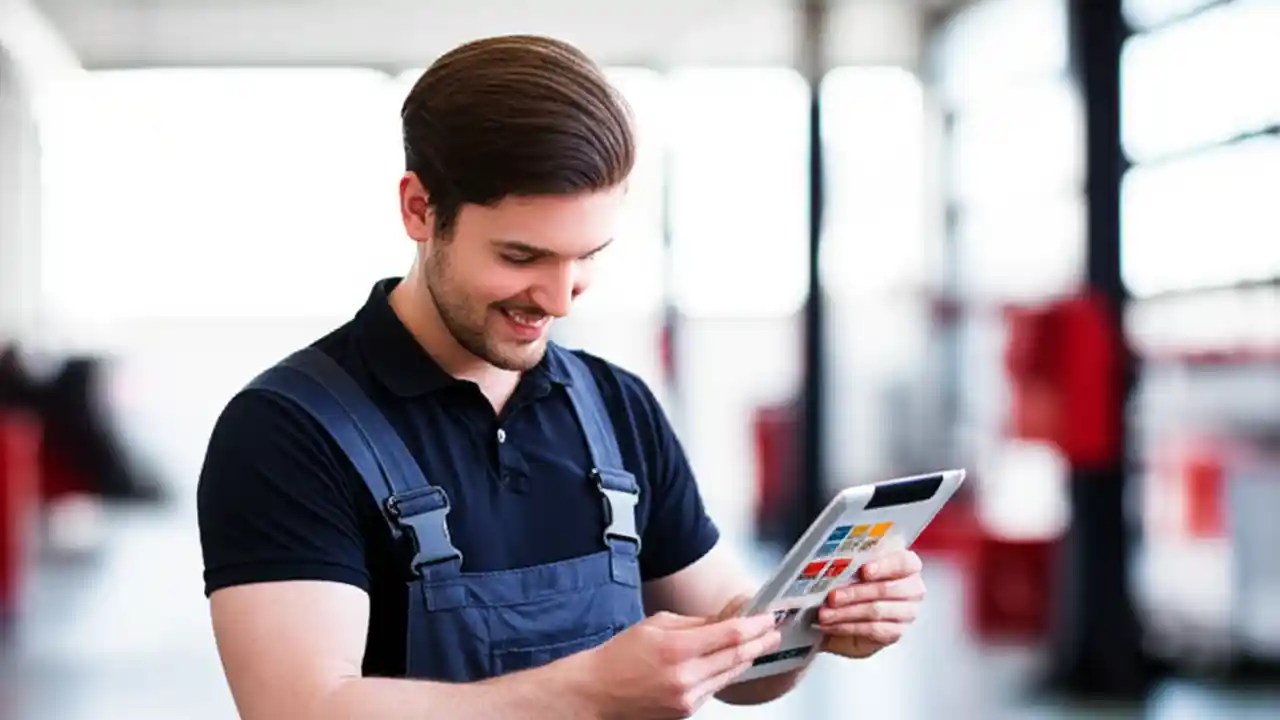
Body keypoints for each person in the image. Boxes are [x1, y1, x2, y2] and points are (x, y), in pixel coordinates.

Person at [197, 34, 928, 719]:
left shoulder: (617, 407)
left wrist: (810, 626)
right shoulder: (285, 430)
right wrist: (585, 689)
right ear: (420, 209)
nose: (558, 297)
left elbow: (741, 664)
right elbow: (303, 707)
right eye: (521, 257)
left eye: (588, 256)